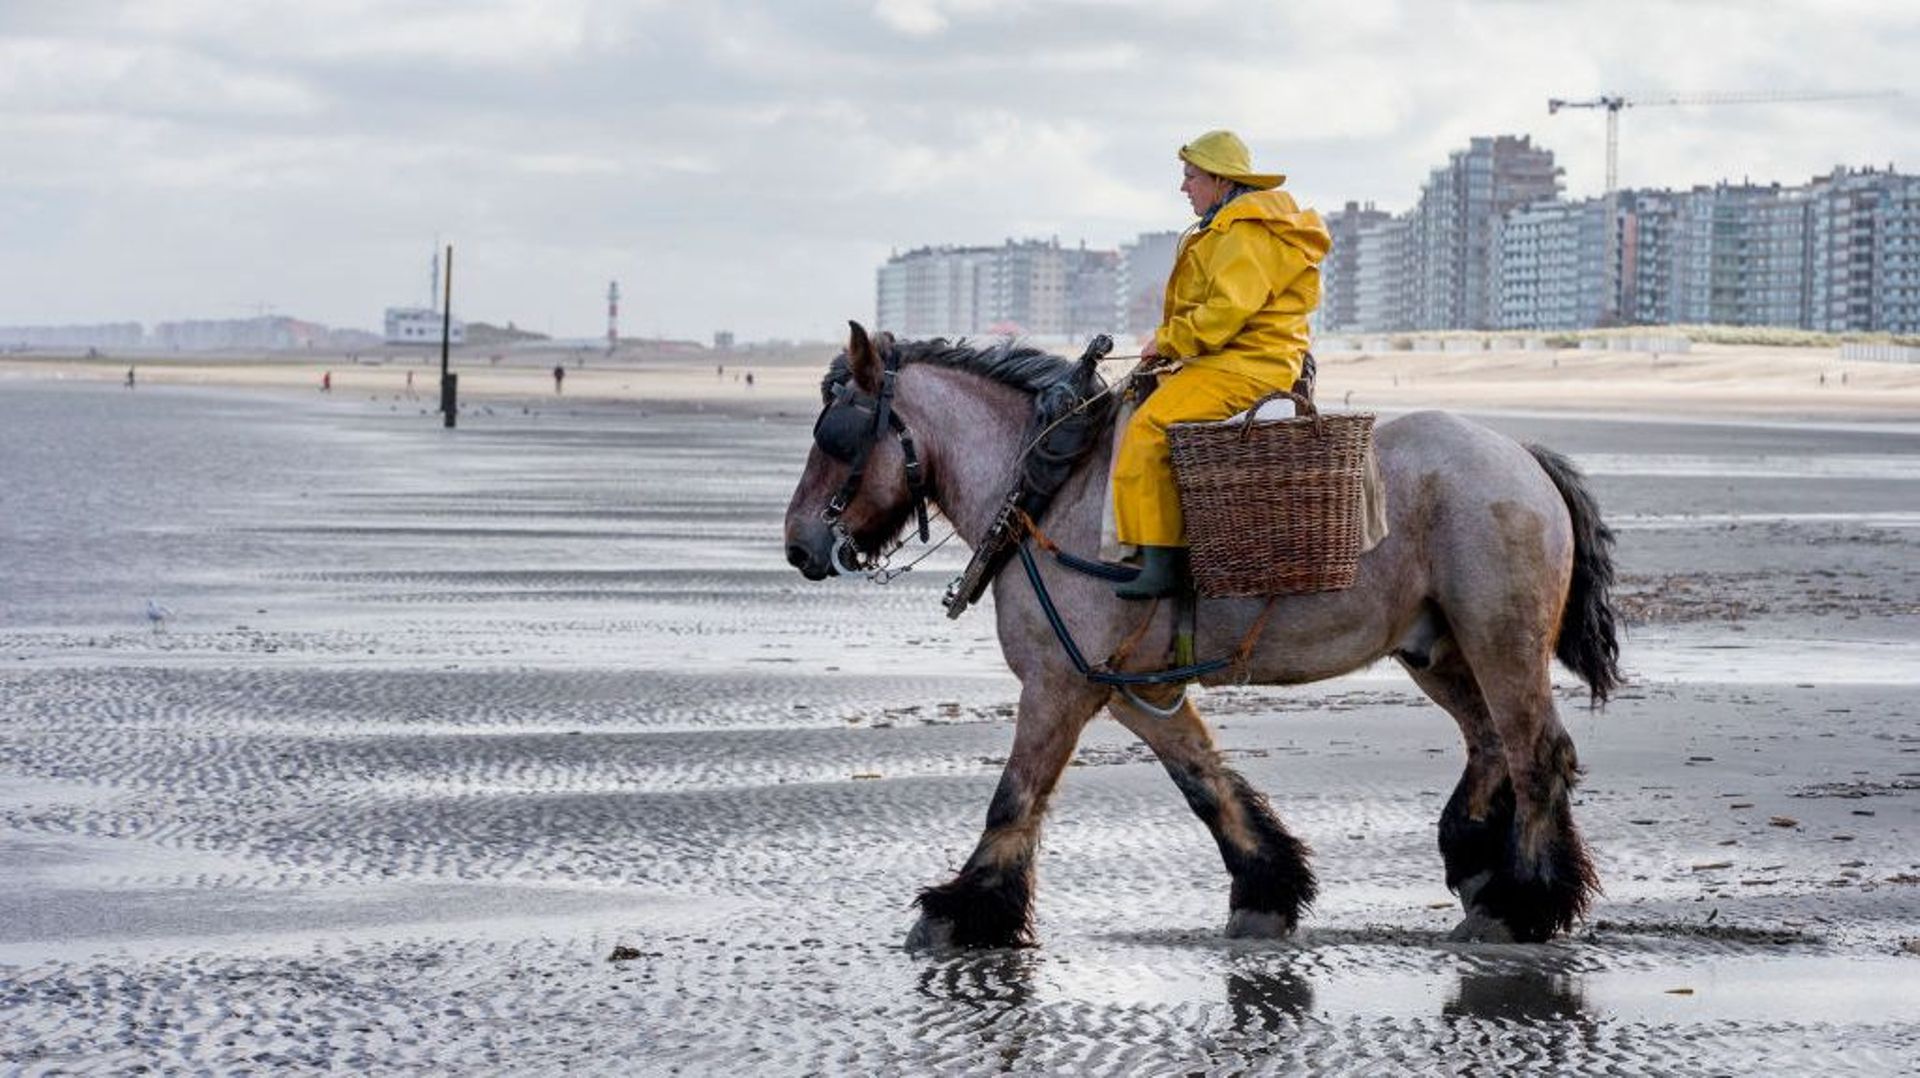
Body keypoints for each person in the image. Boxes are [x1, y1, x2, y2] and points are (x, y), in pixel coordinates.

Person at [1110, 129, 1331, 599]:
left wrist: (1168, 341)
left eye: (1191, 176)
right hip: (1232, 360)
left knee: (1149, 431)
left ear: (1221, 180)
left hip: (1246, 366)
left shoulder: (1243, 230)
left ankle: (1161, 563)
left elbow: (1225, 312)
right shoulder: (1231, 226)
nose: (1183, 187)